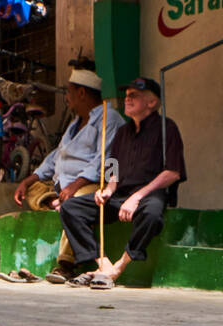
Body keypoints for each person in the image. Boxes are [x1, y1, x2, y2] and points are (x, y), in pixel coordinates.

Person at [58, 77, 186, 289]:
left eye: (134, 96)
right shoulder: (122, 132)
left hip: (148, 195)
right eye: (126, 96)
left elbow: (172, 172)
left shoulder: (167, 128)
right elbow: (112, 166)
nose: (127, 99)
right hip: (119, 195)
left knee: (152, 214)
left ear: (151, 103)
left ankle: (119, 266)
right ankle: (103, 265)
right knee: (71, 208)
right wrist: (108, 189)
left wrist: (136, 197)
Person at [13, 65, 124, 284]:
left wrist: (75, 185)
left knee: (74, 202)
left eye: (69, 92)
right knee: (32, 191)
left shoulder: (108, 119)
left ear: (82, 93)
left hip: (88, 183)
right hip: (61, 184)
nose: (66, 98)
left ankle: (66, 264)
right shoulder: (75, 122)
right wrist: (29, 179)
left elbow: (105, 158)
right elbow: (57, 155)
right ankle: (54, 201)